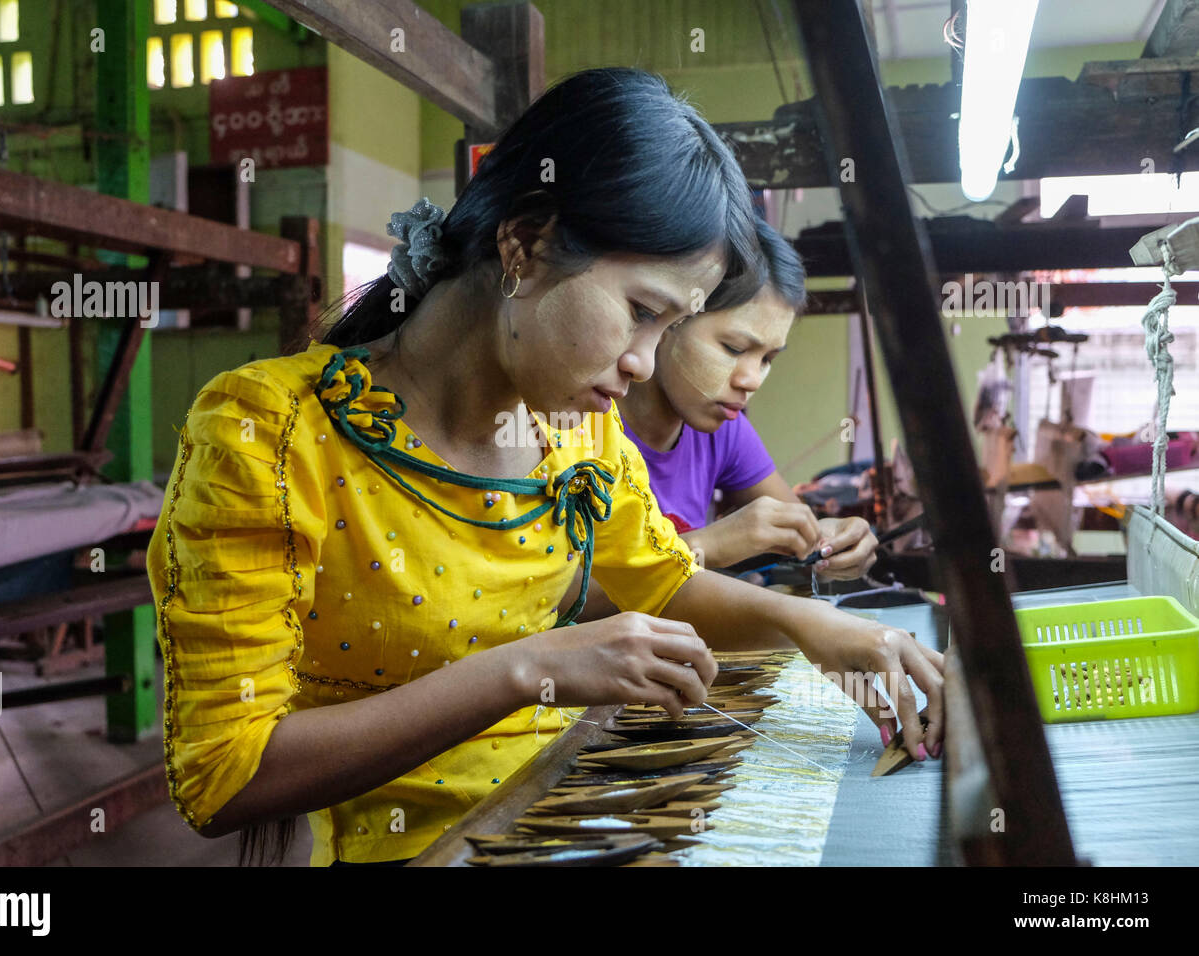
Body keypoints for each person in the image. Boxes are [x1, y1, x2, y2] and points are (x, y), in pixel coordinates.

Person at [147, 67, 943, 867]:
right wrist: (528, 669)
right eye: (640, 311)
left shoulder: (577, 431)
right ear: (523, 245)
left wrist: (819, 628)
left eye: (670, 329)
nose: (641, 363)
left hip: (565, 822)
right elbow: (224, 776)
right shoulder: (271, 435)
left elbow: (661, 577)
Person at [616, 213, 880, 579]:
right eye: (734, 348)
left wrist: (838, 541)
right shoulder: (581, 425)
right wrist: (708, 546)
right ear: (669, 316)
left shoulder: (723, 429)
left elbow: (804, 534)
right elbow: (559, 598)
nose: (752, 380)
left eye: (768, 358)